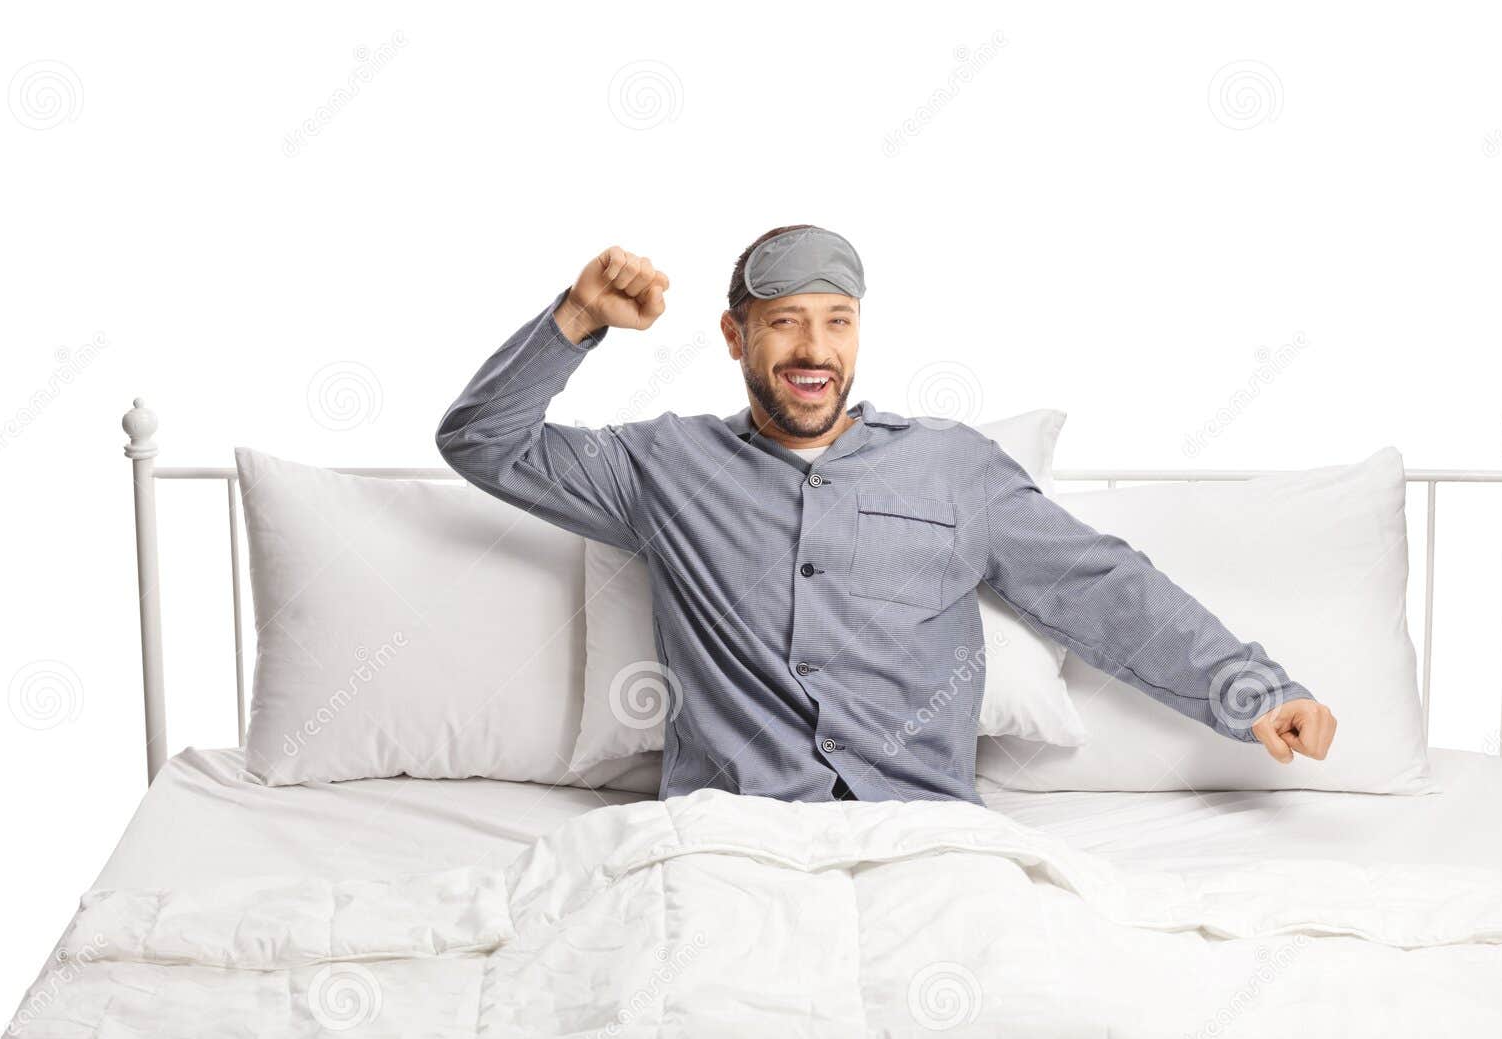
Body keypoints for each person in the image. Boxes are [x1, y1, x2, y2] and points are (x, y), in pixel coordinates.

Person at [436, 225, 1336, 804]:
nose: (815, 349)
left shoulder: (953, 468)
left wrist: (1254, 690)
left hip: (924, 834)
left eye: (838, 321)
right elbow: (482, 442)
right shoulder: (663, 466)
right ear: (735, 337)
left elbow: (1102, 588)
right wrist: (576, 318)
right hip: (733, 838)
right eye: (786, 322)